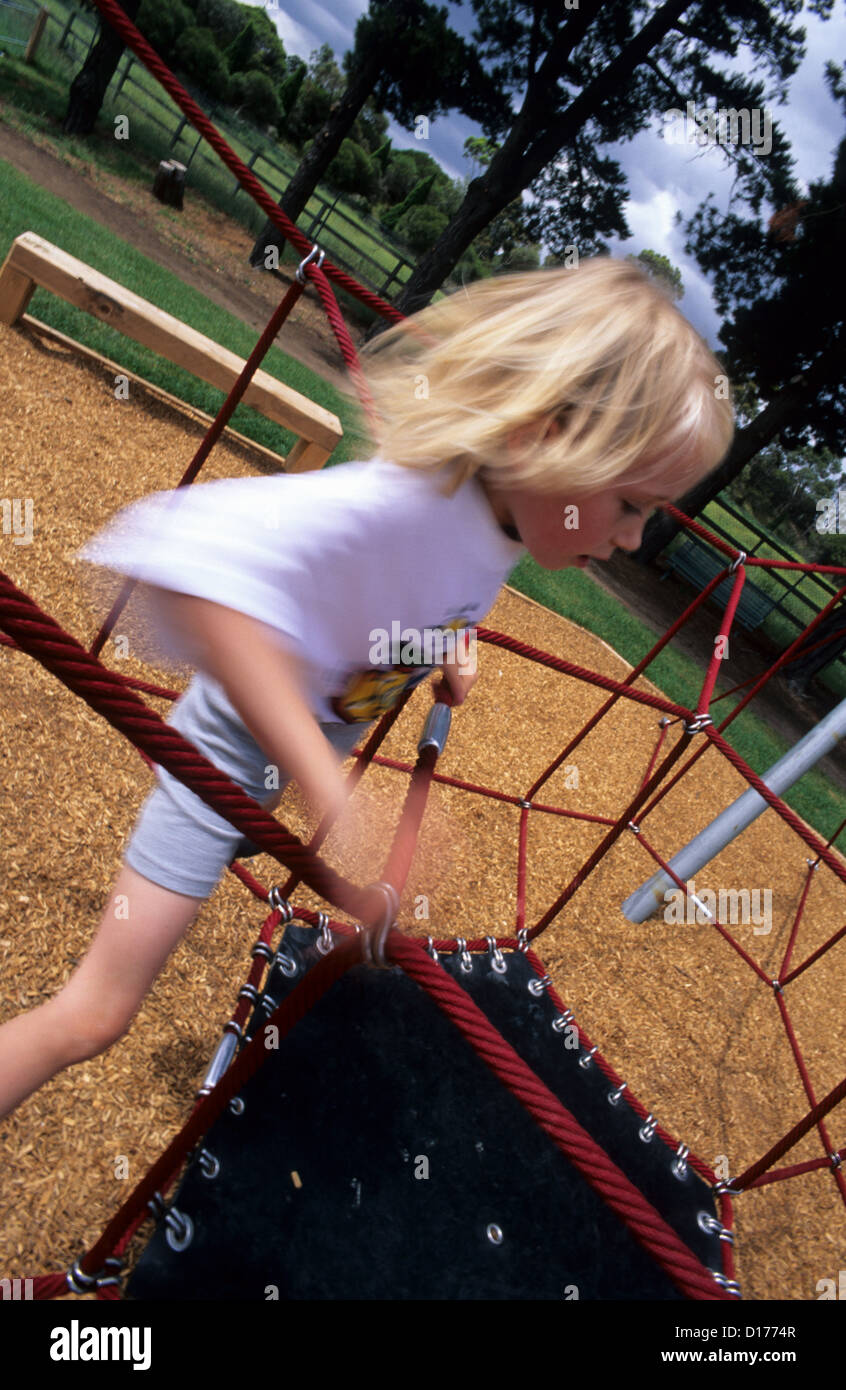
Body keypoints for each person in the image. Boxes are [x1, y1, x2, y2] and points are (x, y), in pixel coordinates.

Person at [0, 256, 734, 1118]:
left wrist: (447, 644)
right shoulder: (397, 507)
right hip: (221, 769)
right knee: (93, 1017)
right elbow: (189, 571)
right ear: (540, 438)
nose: (636, 540)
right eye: (633, 505)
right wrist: (334, 796)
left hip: (275, 774)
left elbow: (428, 589)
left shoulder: (493, 519)